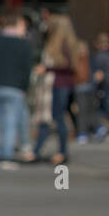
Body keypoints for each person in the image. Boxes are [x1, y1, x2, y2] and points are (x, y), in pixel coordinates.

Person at [0, 13, 33, 169]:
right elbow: (26, 69)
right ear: (17, 25)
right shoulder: (23, 44)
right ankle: (6, 156)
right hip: (13, 87)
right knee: (10, 123)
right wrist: (24, 87)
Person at [32, 13, 80, 165]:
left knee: (57, 118)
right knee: (49, 118)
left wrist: (47, 69)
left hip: (60, 85)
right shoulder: (56, 42)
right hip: (55, 85)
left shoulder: (65, 44)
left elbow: (69, 66)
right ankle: (37, 150)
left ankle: (62, 152)